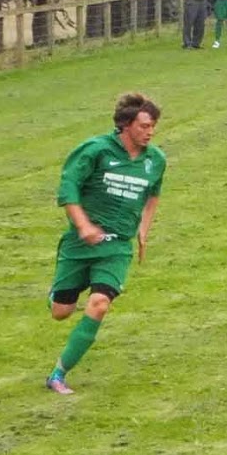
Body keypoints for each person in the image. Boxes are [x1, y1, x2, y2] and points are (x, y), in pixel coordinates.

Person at [44, 92, 166, 394]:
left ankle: (58, 374)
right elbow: (68, 188)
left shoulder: (156, 160)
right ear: (125, 124)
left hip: (116, 248)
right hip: (79, 245)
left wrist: (142, 230)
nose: (150, 132)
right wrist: (83, 225)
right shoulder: (95, 150)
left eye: (153, 126)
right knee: (61, 312)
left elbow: (153, 194)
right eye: (144, 126)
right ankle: (57, 293)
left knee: (99, 305)